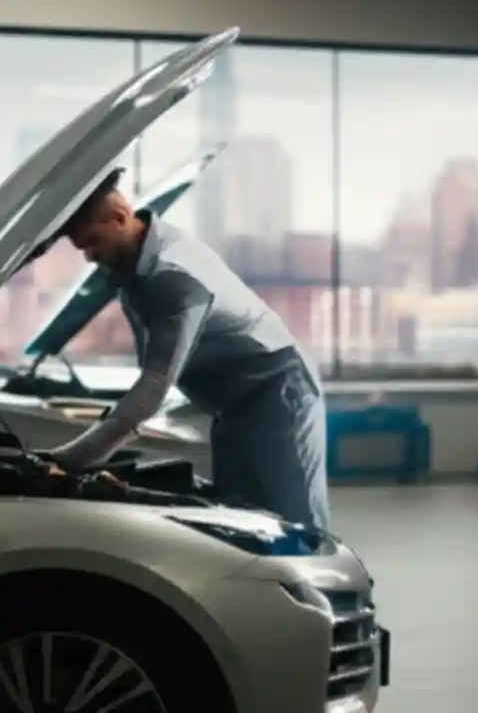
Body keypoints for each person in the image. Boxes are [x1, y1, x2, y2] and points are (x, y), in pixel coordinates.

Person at [45, 168, 331, 531]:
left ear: (120, 218)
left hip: (278, 392)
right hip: (237, 405)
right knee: (245, 525)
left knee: (295, 528)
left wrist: (74, 458)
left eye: (90, 243)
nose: (88, 257)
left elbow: (154, 386)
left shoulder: (173, 275)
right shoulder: (138, 268)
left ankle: (332, 589)